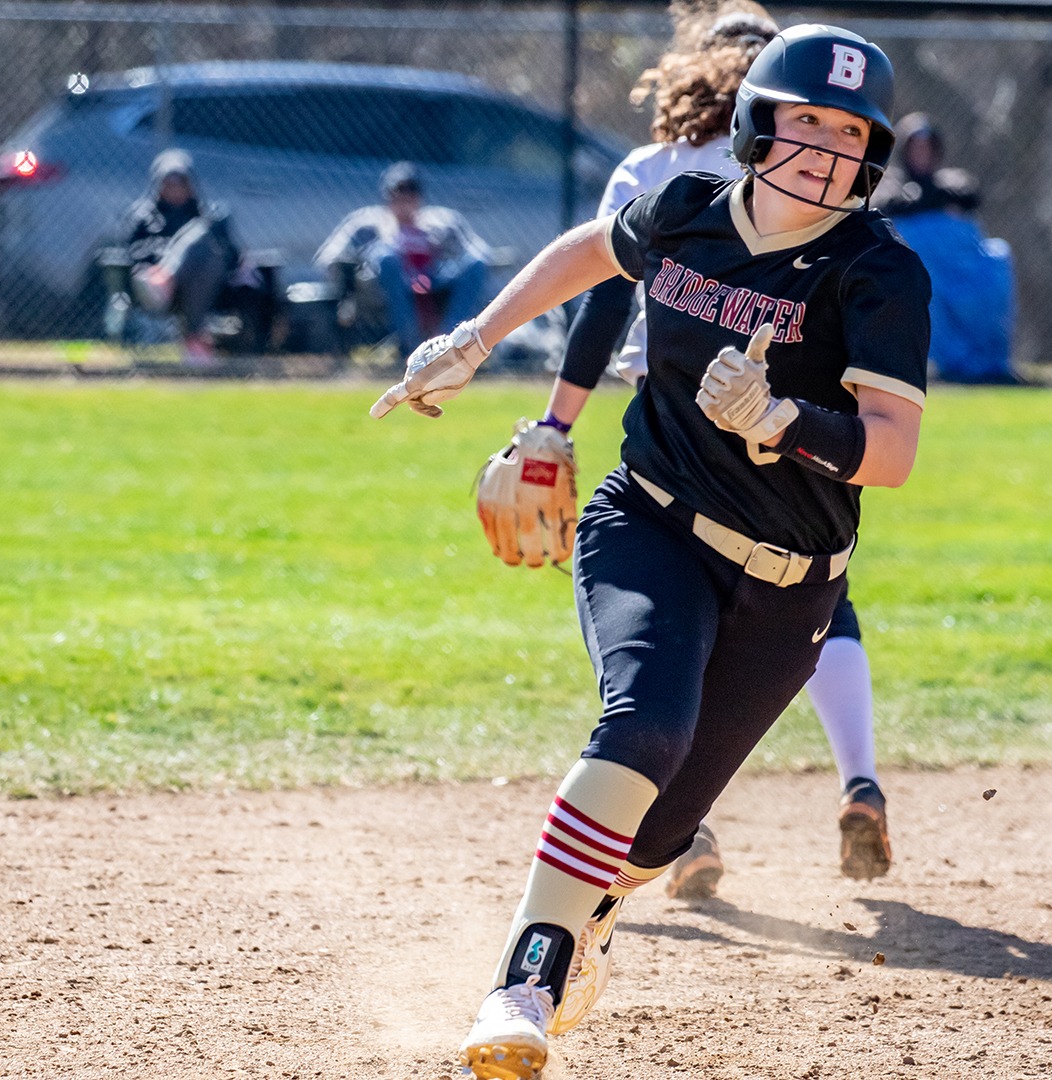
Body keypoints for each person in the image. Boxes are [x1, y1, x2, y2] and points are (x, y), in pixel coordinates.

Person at [367, 25, 928, 1079]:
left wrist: (784, 421)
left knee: (658, 841)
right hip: (652, 522)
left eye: (850, 133)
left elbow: (891, 452)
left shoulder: (876, 272)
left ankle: (591, 919)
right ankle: (522, 985)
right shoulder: (685, 210)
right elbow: (591, 252)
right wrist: (474, 340)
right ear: (757, 121)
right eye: (807, 120)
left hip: (789, 589)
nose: (825, 150)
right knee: (644, 723)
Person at [559, 0, 895, 904]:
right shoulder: (823, 185)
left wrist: (555, 422)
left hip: (672, 414)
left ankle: (677, 816)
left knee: (660, 645)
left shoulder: (657, 167)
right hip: (792, 423)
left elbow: (600, 294)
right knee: (810, 588)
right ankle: (857, 776)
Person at [874, 112, 1021, 384]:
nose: (922, 154)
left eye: (928, 147)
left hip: (962, 261)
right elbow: (889, 206)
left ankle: (993, 364)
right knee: (930, 279)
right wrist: (935, 203)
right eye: (916, 147)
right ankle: (951, 363)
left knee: (997, 261)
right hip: (925, 263)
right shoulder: (889, 183)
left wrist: (925, 198)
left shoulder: (952, 179)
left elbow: (969, 197)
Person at [316, 161, 492, 357]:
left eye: (412, 190)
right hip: (385, 286)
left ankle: (451, 343)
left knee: (475, 264)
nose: (406, 197)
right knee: (384, 256)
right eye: (399, 191)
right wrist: (354, 274)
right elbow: (329, 257)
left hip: (435, 279)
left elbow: (481, 253)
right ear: (387, 195)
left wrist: (438, 248)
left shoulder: (443, 221)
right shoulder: (367, 223)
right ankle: (411, 344)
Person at [120, 149, 243, 366]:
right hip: (150, 286)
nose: (175, 188)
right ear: (158, 184)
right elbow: (134, 253)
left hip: (195, 285)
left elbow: (231, 255)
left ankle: (168, 276)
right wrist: (162, 253)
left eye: (181, 182)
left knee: (203, 236)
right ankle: (195, 337)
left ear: (191, 184)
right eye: (168, 183)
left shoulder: (206, 215)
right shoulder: (144, 216)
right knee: (203, 235)